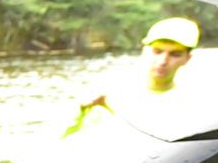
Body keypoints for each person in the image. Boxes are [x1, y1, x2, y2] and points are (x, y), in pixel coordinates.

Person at [65, 17, 199, 137]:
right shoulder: (109, 89)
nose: (163, 61)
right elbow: (62, 138)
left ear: (187, 59)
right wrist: (80, 110)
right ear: (144, 51)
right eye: (157, 51)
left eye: (175, 54)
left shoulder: (192, 103)